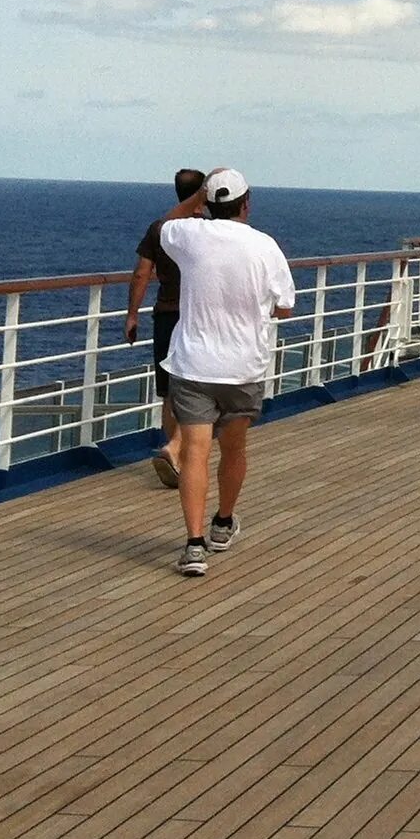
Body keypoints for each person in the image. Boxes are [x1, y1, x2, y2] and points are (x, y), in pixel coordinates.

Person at [154, 167, 296, 577]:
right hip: (243, 367)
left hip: (194, 365)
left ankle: (194, 546)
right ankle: (222, 524)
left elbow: (167, 223)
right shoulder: (265, 247)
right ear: (246, 203)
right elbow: (284, 306)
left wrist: (196, 196)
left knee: (195, 452)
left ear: (207, 203)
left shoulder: (189, 236)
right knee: (234, 451)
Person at [122, 167, 207, 488]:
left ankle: (174, 454)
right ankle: (179, 454)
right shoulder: (209, 229)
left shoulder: (160, 229)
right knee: (198, 389)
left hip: (165, 315)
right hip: (197, 317)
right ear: (204, 193)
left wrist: (132, 315)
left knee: (169, 392)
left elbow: (141, 273)